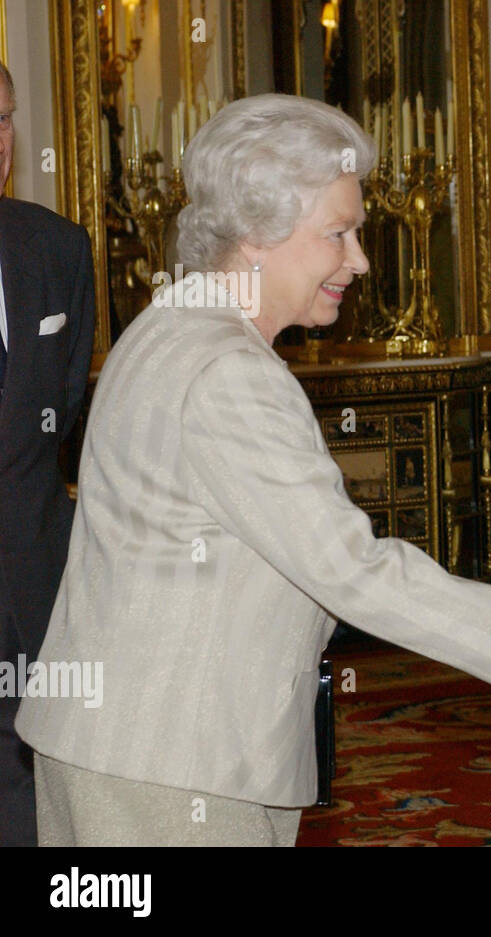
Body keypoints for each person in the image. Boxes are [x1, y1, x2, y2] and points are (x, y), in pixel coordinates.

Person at [14, 94, 491, 846]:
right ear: (259, 234)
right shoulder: (229, 370)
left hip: (114, 749)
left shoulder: (161, 330)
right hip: (175, 768)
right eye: (340, 232)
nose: (358, 259)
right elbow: (352, 571)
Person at [0, 60, 96, 846]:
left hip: (36, 573)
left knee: (37, 785)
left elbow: (61, 405)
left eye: (1, 120)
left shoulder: (59, 250)